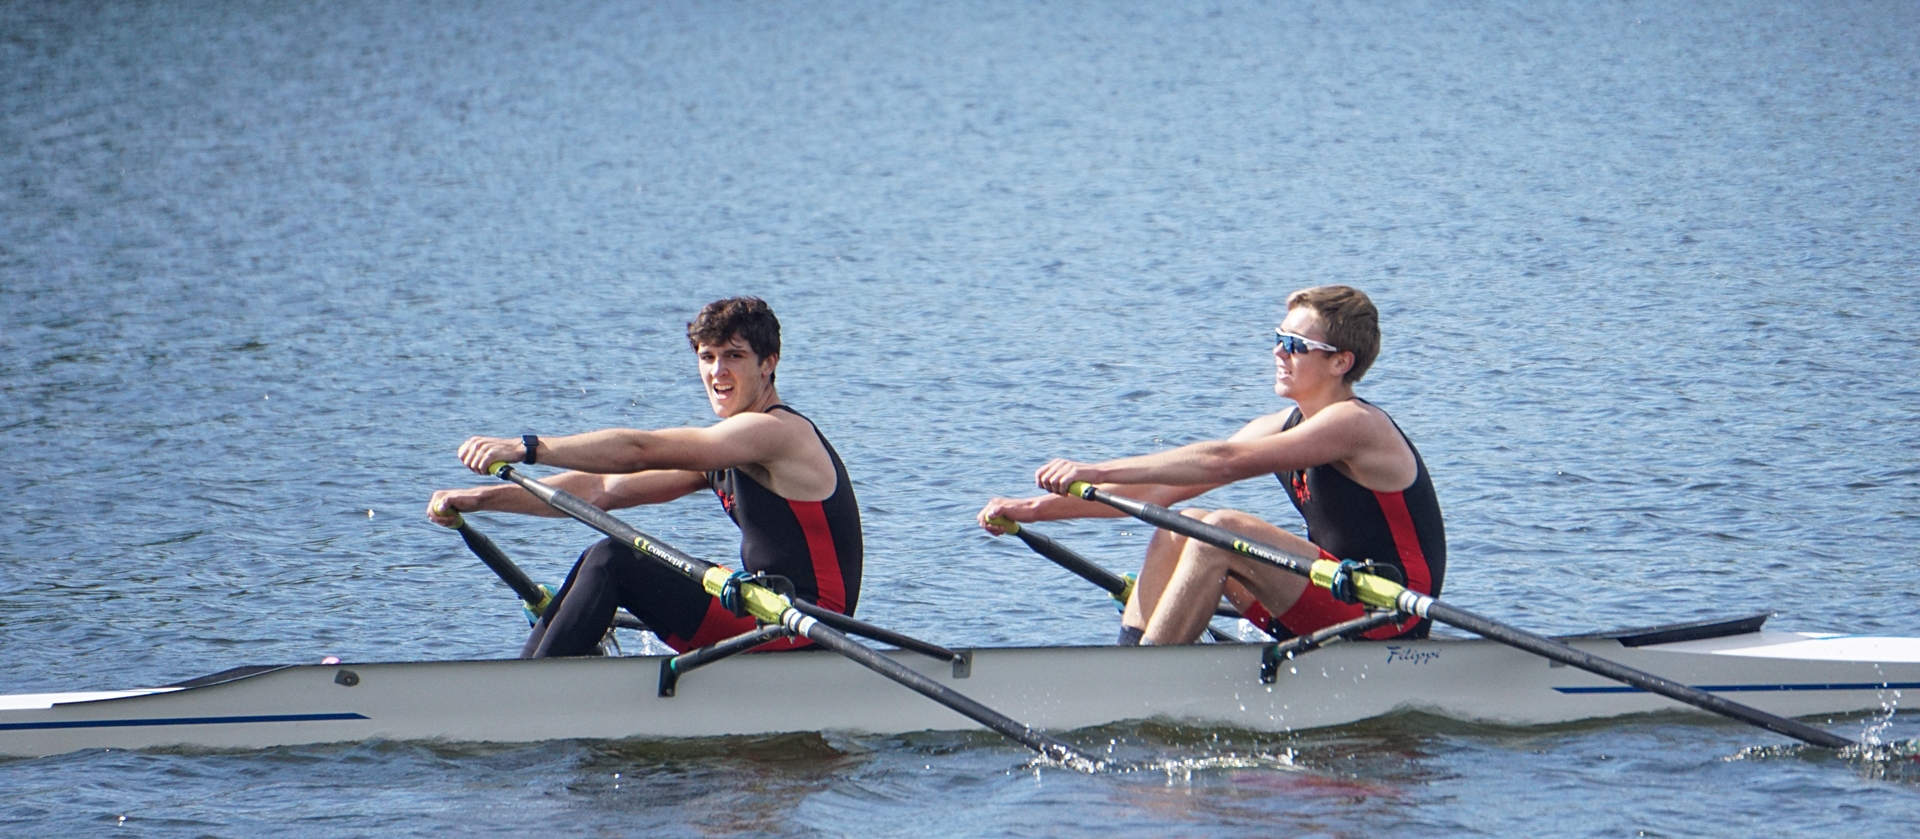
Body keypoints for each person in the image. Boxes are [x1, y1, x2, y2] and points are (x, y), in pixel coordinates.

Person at [977, 285, 1443, 645]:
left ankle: (1141, 682)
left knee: (1220, 530)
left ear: (1341, 362)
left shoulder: (1358, 424)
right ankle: (1130, 657)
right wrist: (1033, 510)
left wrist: (1096, 470)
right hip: (1336, 595)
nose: (1278, 352)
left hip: (1389, 614)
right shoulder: (1282, 425)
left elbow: (1222, 462)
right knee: (1182, 525)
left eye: (1295, 344)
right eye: (1278, 338)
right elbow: (1154, 494)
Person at [428, 297, 862, 657]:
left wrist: (528, 448)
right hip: (764, 610)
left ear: (768, 364)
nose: (717, 372)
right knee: (598, 556)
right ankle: (527, 680)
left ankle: (527, 692)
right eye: (707, 357)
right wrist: (481, 499)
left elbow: (640, 451)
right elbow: (600, 490)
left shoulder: (777, 432)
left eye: (734, 356)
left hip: (807, 627)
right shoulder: (727, 449)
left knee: (615, 560)